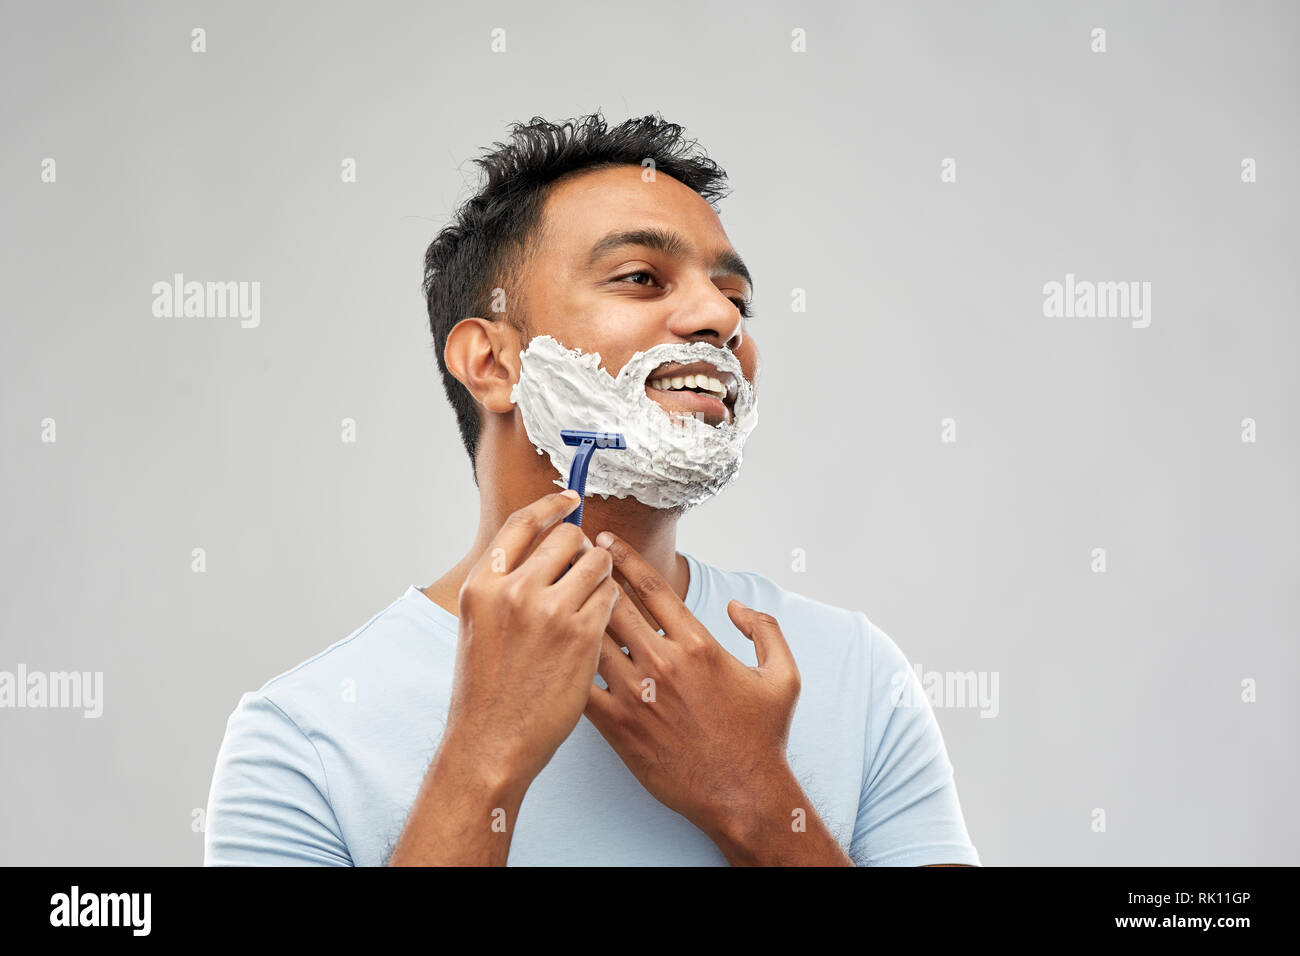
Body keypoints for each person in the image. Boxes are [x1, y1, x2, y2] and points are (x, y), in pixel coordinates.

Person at [203, 112, 981, 866]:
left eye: (736, 299)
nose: (721, 318)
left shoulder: (852, 670)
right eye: (641, 277)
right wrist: (486, 753)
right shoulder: (302, 736)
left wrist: (755, 797)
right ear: (494, 364)